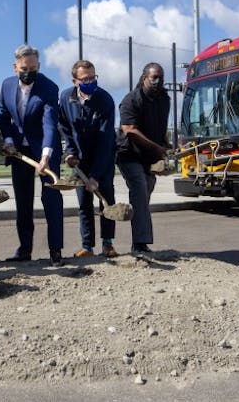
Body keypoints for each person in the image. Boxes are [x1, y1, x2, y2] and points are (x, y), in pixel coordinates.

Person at [0, 44, 64, 266]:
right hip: (19, 151)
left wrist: (45, 157)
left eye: (33, 68)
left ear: (39, 66)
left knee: (51, 198)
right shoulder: (7, 85)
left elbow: (49, 124)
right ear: (15, 67)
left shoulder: (49, 87)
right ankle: (24, 249)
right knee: (23, 201)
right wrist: (8, 141)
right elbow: (4, 117)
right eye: (24, 68)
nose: (28, 72)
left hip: (45, 148)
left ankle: (55, 250)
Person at [58, 60, 119, 258]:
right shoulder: (66, 98)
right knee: (84, 203)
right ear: (75, 81)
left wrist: (95, 176)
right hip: (80, 160)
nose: (90, 82)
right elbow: (65, 128)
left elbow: (105, 139)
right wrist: (70, 152)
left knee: (106, 200)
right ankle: (87, 246)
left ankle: (107, 244)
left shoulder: (105, 100)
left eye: (93, 77)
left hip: (103, 157)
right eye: (85, 79)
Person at [116, 62, 171, 255]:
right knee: (139, 189)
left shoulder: (164, 99)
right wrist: (156, 147)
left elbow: (161, 128)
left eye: (161, 77)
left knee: (145, 194)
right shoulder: (131, 100)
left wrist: (166, 143)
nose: (158, 81)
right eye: (154, 77)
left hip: (149, 157)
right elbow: (130, 130)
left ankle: (138, 239)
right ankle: (140, 244)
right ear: (144, 78)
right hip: (129, 154)